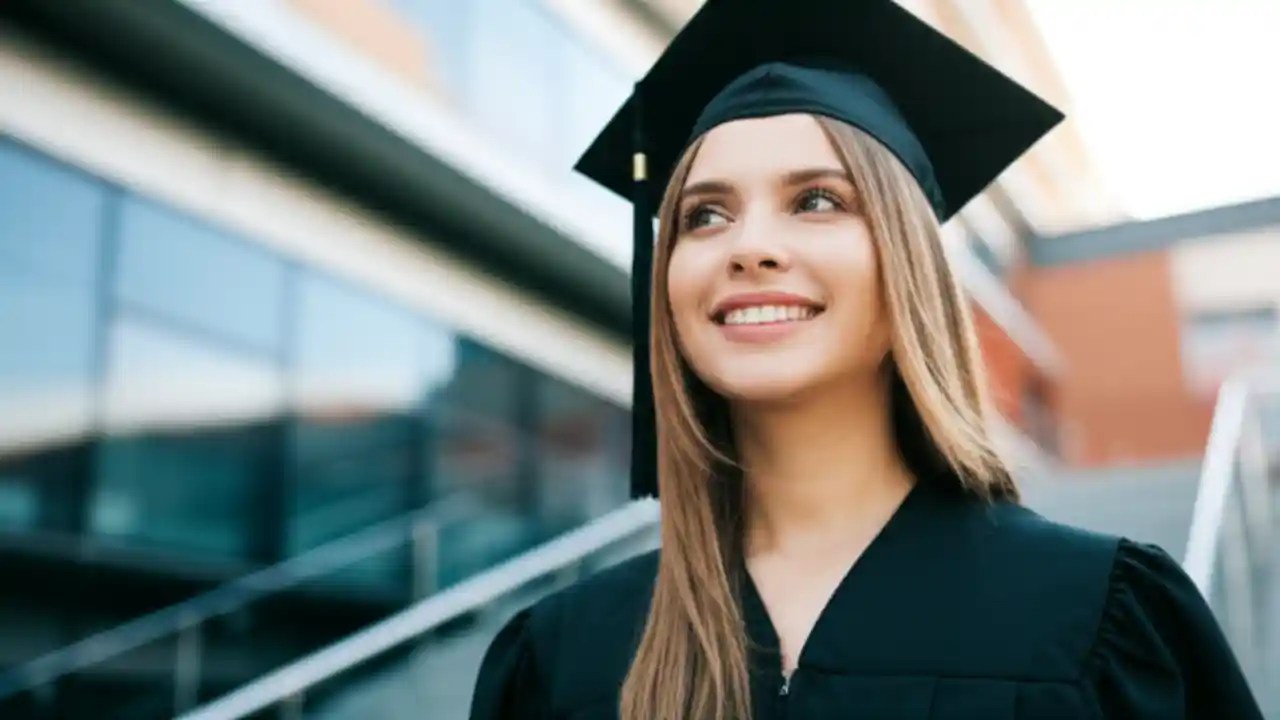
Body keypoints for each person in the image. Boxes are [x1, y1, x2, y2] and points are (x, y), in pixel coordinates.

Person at [468, 0, 1265, 718]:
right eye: (705, 215)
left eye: (816, 200)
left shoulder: (1096, 621)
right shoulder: (565, 656)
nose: (749, 246)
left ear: (908, 265)